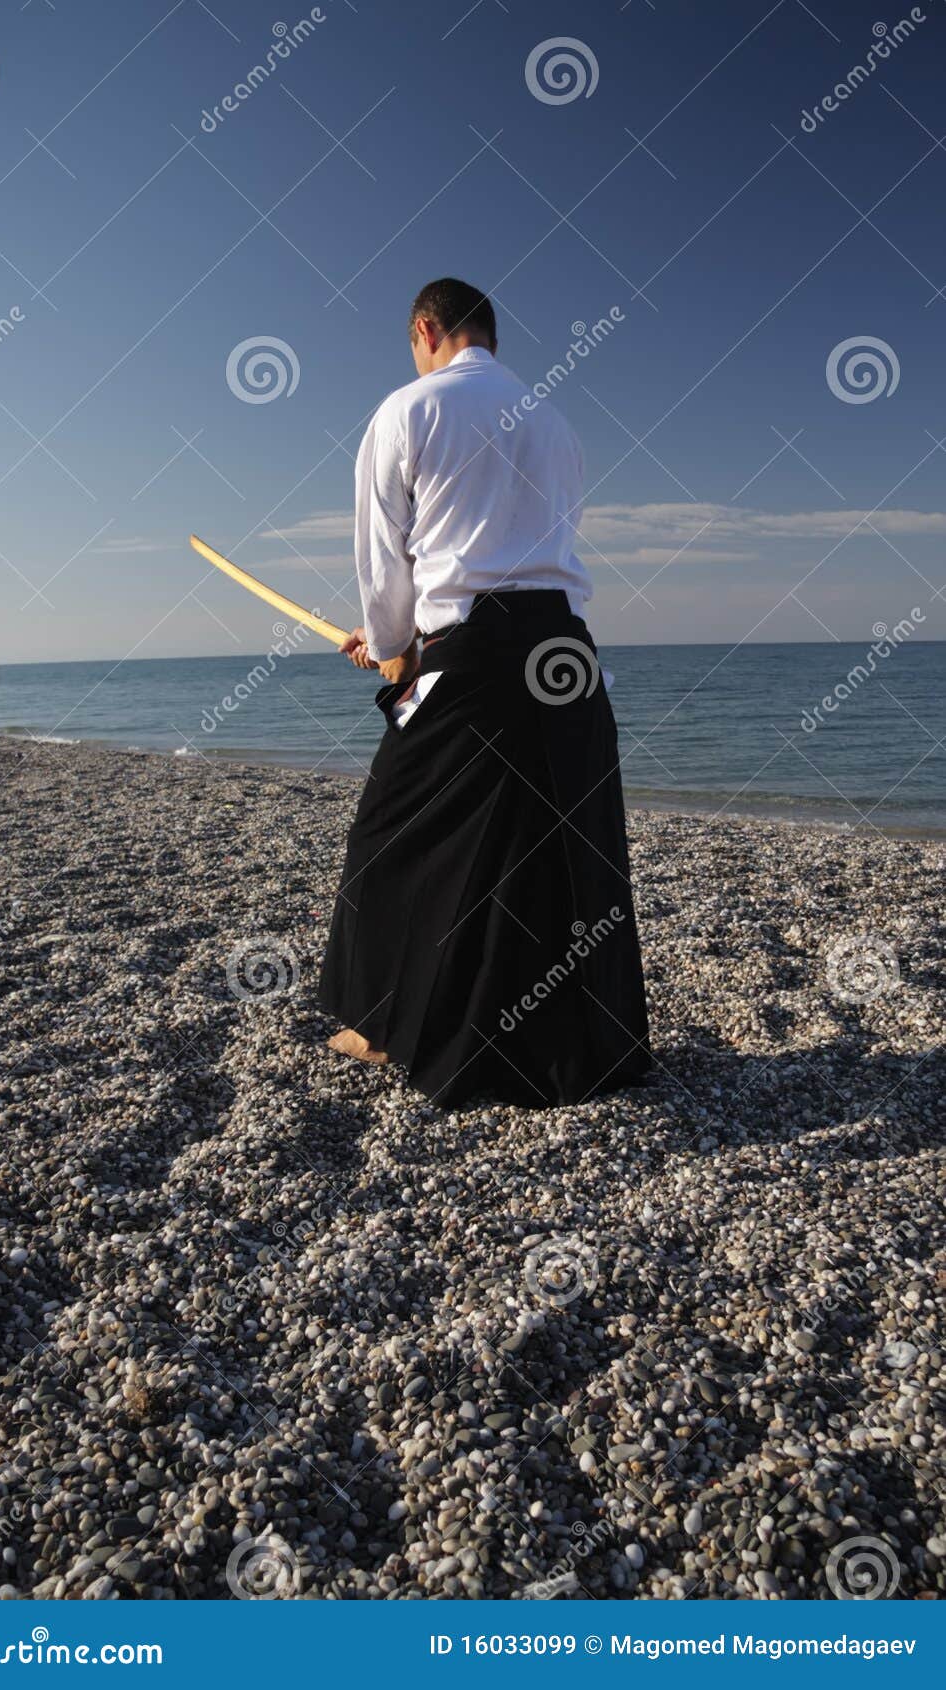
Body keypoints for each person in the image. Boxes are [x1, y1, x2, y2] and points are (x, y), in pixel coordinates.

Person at [319, 277, 650, 1107]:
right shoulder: (556, 423)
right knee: (557, 846)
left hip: (472, 651)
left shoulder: (409, 409)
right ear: (488, 336)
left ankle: (380, 1024)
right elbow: (532, 546)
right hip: (564, 654)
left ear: (425, 330)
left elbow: (384, 558)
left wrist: (391, 648)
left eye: (412, 343)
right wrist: (404, 643)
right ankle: (579, 1049)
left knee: (391, 838)